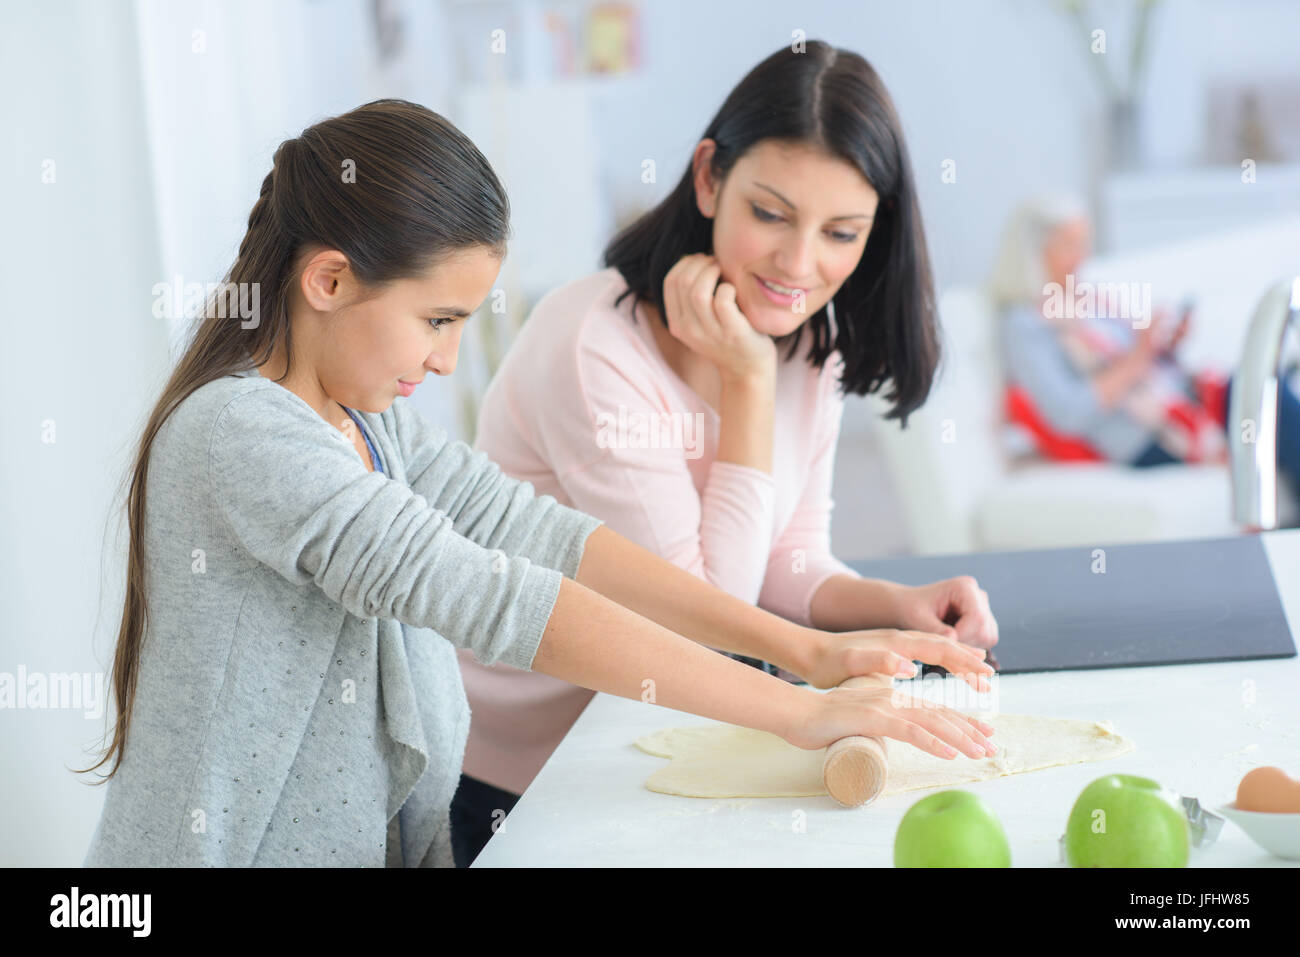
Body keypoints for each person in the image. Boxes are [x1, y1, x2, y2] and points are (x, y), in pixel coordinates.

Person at [77, 99, 996, 868]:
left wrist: (805, 651)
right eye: (436, 320)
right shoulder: (240, 433)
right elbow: (492, 595)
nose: (445, 360)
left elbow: (533, 532)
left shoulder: (366, 419)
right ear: (327, 278)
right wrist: (802, 711)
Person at [454, 43, 1001, 866]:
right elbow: (706, 617)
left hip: (666, 733)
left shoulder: (809, 339)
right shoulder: (593, 347)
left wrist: (894, 603)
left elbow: (787, 556)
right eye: (772, 214)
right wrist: (747, 383)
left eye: (841, 232)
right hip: (534, 774)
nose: (799, 265)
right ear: (709, 178)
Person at [989, 194, 1300, 500]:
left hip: (1180, 402)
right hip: (1143, 439)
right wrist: (1141, 353)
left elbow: (1139, 365)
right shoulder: (1024, 323)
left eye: (1084, 243)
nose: (1082, 256)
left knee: (1266, 386)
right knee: (1261, 394)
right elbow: (1066, 413)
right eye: (1070, 245)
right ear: (1035, 252)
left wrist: (1164, 345)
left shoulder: (1087, 299)